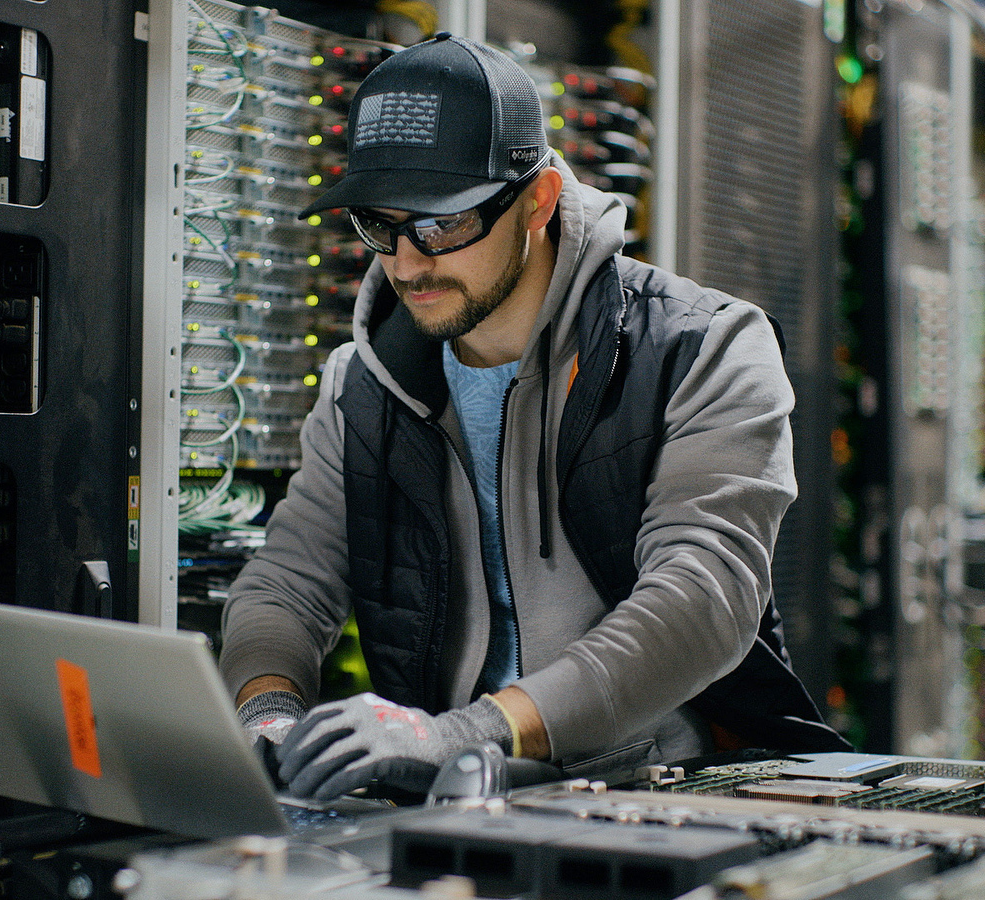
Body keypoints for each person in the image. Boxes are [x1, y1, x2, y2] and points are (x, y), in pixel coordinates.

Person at [219, 32, 847, 804]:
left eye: (441, 224)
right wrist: (270, 716)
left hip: (653, 801)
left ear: (539, 201)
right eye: (380, 226)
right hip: (454, 804)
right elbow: (287, 583)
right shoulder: (365, 387)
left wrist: (467, 731)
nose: (409, 262)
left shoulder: (702, 348)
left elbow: (700, 602)